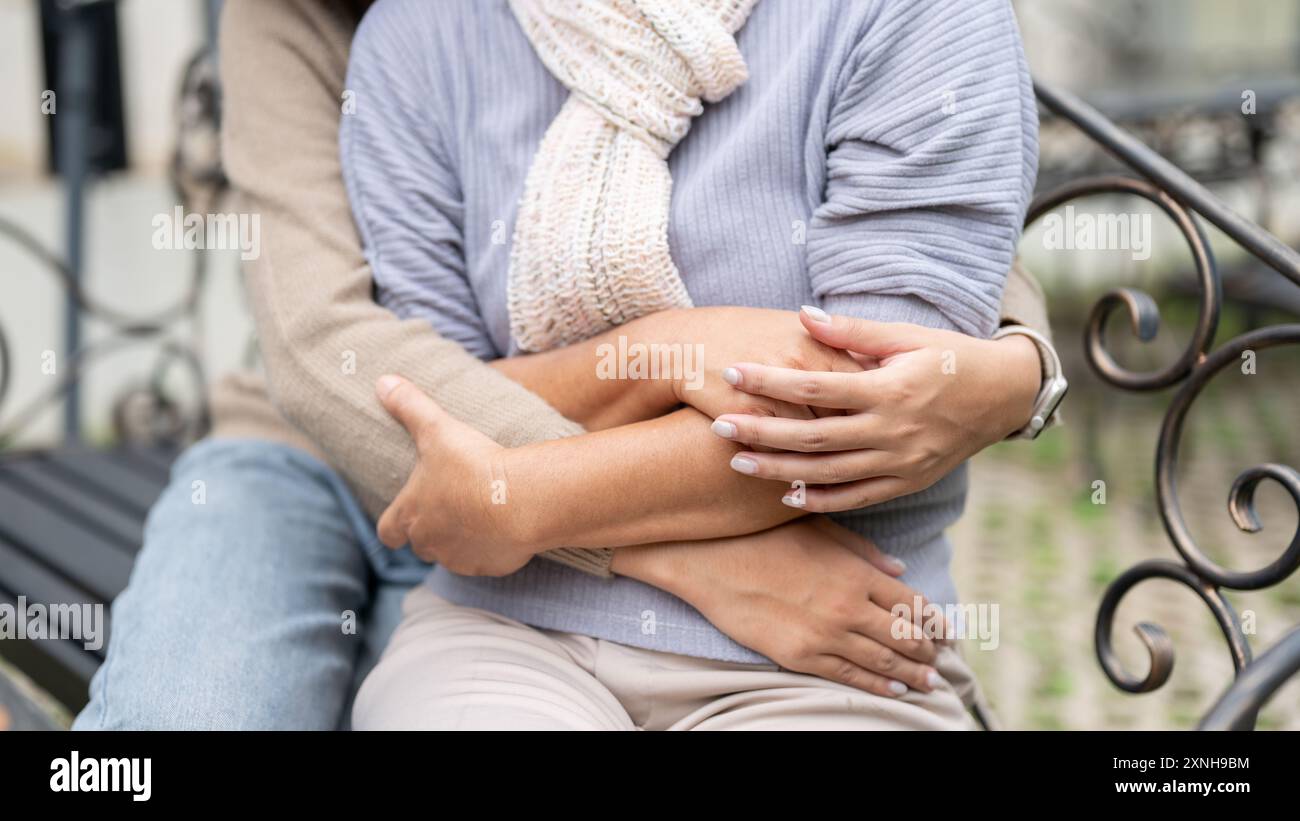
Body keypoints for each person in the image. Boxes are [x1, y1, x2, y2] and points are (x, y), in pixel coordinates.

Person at [74, 0, 1052, 731]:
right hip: (325, 452)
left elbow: (900, 313)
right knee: (180, 724)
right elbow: (328, 356)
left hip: (509, 517)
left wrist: (1012, 365)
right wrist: (664, 378)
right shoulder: (348, 29)